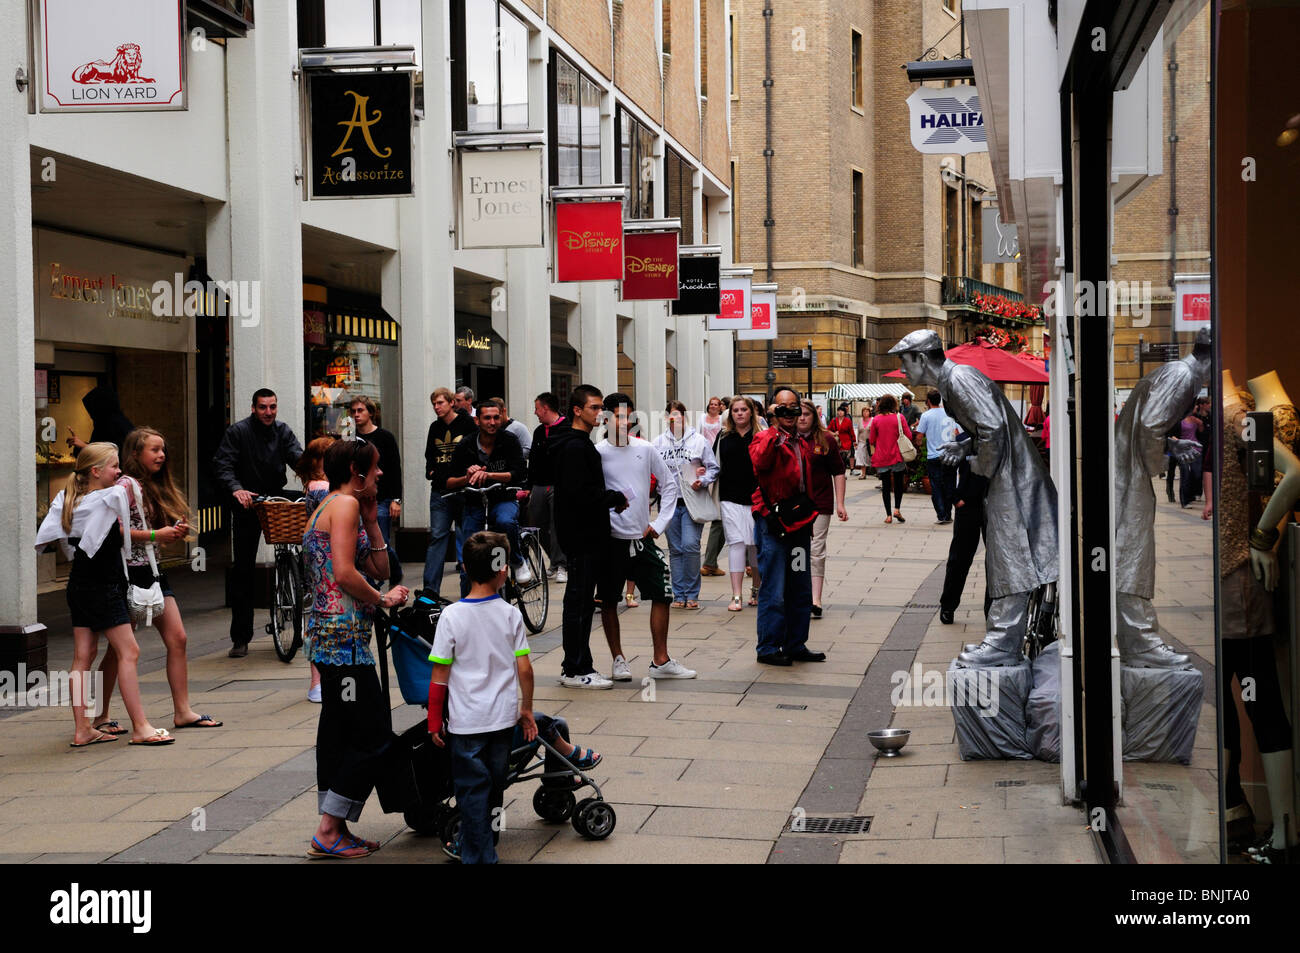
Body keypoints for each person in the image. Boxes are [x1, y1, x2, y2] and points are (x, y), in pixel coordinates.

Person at [890, 330, 1058, 668]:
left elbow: (994, 430)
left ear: (922, 359)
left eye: (905, 361)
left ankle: (1003, 642)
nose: (904, 370)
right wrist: (965, 446)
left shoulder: (959, 380)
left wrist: (975, 463)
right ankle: (1003, 639)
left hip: (1012, 484)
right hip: (1010, 481)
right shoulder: (956, 380)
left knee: (1010, 561)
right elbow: (989, 430)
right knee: (1007, 560)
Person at [302, 439, 410, 859]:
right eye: (375, 467)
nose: (381, 474)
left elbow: (381, 569)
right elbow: (347, 575)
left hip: (332, 643)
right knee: (372, 735)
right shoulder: (342, 506)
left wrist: (373, 518)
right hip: (344, 644)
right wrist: (381, 600)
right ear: (355, 469)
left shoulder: (337, 505)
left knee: (338, 734)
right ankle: (328, 830)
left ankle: (336, 827)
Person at [35, 443, 174, 747]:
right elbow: (125, 494)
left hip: (78, 585)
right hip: (104, 585)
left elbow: (53, 538)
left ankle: (83, 728)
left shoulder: (68, 499)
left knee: (82, 656)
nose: (119, 471)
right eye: (113, 466)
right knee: (130, 652)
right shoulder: (107, 498)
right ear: (96, 472)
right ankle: (141, 726)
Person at [91, 428, 220, 734]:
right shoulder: (124, 485)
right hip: (128, 573)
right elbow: (113, 532)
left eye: (163, 449)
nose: (161, 455)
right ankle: (99, 716)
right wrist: (155, 535)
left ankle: (183, 711)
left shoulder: (150, 485)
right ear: (135, 454)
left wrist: (169, 531)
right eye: (154, 450)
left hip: (152, 571)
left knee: (178, 638)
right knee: (117, 650)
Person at [427, 530, 536, 864]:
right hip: (502, 721)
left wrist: (434, 721)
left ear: (464, 568)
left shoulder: (451, 616)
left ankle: (480, 854)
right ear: (503, 569)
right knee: (495, 787)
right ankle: (488, 843)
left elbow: (439, 677)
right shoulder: (510, 614)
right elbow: (525, 670)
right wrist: (527, 710)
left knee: (472, 792)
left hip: (467, 724)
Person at [598, 395, 695, 681]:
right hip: (611, 540)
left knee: (663, 594)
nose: (624, 421)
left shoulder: (645, 448)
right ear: (605, 419)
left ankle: (661, 659)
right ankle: (618, 659)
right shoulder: (598, 452)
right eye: (617, 416)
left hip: (642, 538)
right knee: (607, 600)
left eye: (628, 416)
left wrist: (659, 523)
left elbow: (669, 486)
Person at [212, 388, 304, 658]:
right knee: (243, 568)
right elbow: (223, 464)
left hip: (275, 495)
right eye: (263, 407)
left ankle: (299, 588)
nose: (268, 412)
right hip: (248, 500)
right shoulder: (237, 432)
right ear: (253, 408)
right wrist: (235, 488)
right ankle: (240, 637)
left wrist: (312, 479)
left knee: (308, 504)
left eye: (272, 407)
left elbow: (297, 457)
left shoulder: (282, 431)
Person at [550, 384, 630, 689]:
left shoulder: (580, 443)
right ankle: (575, 668)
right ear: (577, 410)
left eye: (601, 408)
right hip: (581, 535)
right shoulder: (574, 446)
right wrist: (612, 497)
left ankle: (579, 664)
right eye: (594, 408)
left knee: (582, 602)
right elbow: (579, 494)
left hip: (586, 534)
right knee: (579, 603)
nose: (600, 413)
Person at [750, 386, 827, 666]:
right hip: (774, 525)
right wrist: (772, 427)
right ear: (773, 410)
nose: (789, 413)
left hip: (798, 524)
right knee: (775, 588)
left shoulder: (802, 441)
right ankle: (768, 647)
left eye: (793, 407)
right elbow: (761, 461)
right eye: (782, 408)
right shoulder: (765, 438)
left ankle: (795, 643)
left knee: (800, 586)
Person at [445, 400, 530, 597]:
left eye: (496, 417)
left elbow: (518, 473)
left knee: (504, 522)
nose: (492, 422)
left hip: (503, 499)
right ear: (477, 421)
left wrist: (489, 475)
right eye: (487, 418)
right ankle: (468, 605)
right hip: (475, 503)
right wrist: (467, 477)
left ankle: (517, 560)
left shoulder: (509, 440)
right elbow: (448, 481)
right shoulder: (466, 444)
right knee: (470, 556)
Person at [652, 400, 719, 609]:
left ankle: (692, 594)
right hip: (669, 502)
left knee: (690, 545)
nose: (676, 419)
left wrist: (704, 479)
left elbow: (713, 467)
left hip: (692, 500)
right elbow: (652, 470)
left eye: (679, 415)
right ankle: (679, 594)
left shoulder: (698, 441)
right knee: (675, 548)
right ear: (666, 418)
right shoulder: (658, 443)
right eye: (671, 415)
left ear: (684, 417)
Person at [296, 436, 340, 703]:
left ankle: (319, 681)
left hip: (319, 559)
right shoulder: (322, 487)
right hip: (328, 561)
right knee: (322, 616)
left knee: (319, 613)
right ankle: (318, 681)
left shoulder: (313, 486)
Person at [422, 387, 476, 597]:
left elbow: (474, 451)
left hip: (464, 489)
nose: (436, 407)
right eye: (434, 404)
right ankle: (430, 590)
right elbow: (430, 454)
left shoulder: (467, 424)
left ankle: (468, 588)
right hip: (440, 491)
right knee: (437, 537)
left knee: (467, 538)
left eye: (440, 403)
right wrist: (431, 471)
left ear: (452, 403)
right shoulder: (435, 427)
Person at [797, 400, 848, 619]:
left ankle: (815, 600)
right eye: (798, 414)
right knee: (798, 550)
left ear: (813, 417)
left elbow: (838, 471)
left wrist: (841, 503)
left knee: (816, 550)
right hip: (794, 505)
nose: (802, 418)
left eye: (806, 414)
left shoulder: (825, 439)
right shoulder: (787, 438)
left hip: (820, 502)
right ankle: (800, 594)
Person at [349, 397, 403, 585]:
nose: (356, 414)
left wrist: (397, 499)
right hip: (357, 498)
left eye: (361, 410)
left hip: (382, 497)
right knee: (363, 543)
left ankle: (393, 571)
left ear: (371, 413)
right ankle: (372, 585)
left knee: (381, 542)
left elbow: (395, 469)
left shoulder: (385, 437)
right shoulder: (350, 437)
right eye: (354, 411)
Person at [717, 397, 763, 611]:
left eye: (744, 409)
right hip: (729, 496)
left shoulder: (760, 436)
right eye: (736, 410)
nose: (740, 413)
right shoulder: (724, 436)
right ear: (730, 414)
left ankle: (757, 588)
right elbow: (713, 463)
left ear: (751, 413)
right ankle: (736, 595)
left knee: (754, 544)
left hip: (755, 497)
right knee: (735, 543)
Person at [938, 450, 989, 625]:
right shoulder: (963, 442)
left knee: (997, 562)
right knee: (959, 558)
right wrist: (954, 497)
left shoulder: (999, 436)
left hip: (995, 505)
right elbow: (947, 469)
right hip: (968, 505)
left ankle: (991, 610)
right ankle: (948, 606)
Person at [527, 392, 569, 584]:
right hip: (538, 484)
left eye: (537, 408)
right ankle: (554, 559)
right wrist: (528, 487)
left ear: (545, 408)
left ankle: (562, 565)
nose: (535, 412)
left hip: (558, 484)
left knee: (557, 524)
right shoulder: (538, 431)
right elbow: (533, 461)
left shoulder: (566, 428)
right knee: (536, 524)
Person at [914, 390, 961, 524]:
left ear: (928, 401)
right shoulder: (950, 414)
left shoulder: (926, 416)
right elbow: (956, 432)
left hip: (934, 455)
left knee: (936, 486)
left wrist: (920, 444)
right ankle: (947, 514)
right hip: (950, 454)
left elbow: (919, 437)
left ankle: (941, 514)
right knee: (949, 484)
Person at [868, 393, 913, 524]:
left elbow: (871, 440)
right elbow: (909, 435)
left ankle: (888, 515)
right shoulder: (900, 418)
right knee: (898, 484)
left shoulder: (876, 420)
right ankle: (897, 509)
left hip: (882, 456)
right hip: (897, 455)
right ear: (894, 404)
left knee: (886, 485)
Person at [698, 397, 727, 577]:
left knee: (747, 524)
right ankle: (709, 563)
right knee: (720, 522)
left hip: (742, 488)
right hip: (725, 484)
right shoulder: (723, 436)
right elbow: (716, 462)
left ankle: (750, 564)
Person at [65, 384, 134, 455]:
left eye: (93, 409)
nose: (91, 415)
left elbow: (115, 454)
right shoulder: (103, 425)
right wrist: (79, 444)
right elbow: (98, 447)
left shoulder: (119, 425)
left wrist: (85, 446)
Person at [1178, 406, 1205, 508]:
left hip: (1195, 449)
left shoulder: (1195, 419)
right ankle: (1184, 501)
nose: (1196, 407)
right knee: (1185, 475)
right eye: (1194, 406)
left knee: (1197, 473)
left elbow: (1201, 431)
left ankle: (1192, 495)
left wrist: (1200, 424)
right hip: (1183, 450)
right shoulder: (1179, 419)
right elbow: (1174, 434)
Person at [828, 404, 857, 474]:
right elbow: (827, 430)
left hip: (846, 441)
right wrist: (834, 434)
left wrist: (854, 441)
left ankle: (843, 473)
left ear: (844, 412)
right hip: (837, 442)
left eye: (842, 411)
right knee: (838, 458)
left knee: (844, 459)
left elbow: (851, 431)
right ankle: (840, 472)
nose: (840, 412)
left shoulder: (848, 421)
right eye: (839, 411)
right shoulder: (834, 420)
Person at [854, 406, 872, 478]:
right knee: (861, 458)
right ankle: (863, 473)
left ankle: (874, 472)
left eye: (867, 411)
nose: (865, 413)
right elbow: (858, 431)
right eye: (864, 411)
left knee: (869, 458)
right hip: (861, 441)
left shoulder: (872, 420)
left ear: (869, 412)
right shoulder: (860, 420)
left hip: (870, 442)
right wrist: (856, 442)